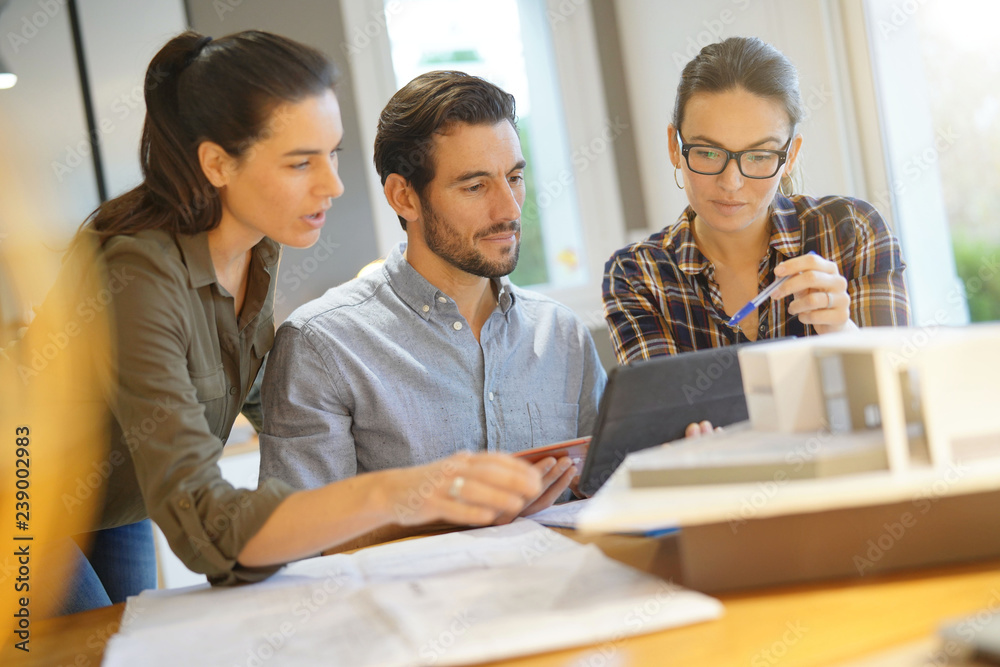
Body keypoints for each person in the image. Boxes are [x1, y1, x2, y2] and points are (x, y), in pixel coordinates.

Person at [43, 32, 543, 614]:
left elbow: (254, 383)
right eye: (300, 161)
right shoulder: (138, 271)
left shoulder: (255, 249)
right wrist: (399, 490)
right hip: (21, 492)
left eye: (331, 154)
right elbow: (208, 531)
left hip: (113, 497)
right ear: (217, 163)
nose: (333, 184)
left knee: (121, 640)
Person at [258, 71, 607, 513]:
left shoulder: (561, 334)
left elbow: (609, 494)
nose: (510, 209)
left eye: (514, 177)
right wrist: (448, 514)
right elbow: (304, 541)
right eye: (475, 186)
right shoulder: (322, 346)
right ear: (404, 197)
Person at [603, 36, 910, 368]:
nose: (731, 183)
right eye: (707, 152)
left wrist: (842, 331)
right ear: (675, 147)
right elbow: (664, 412)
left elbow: (898, 394)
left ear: (790, 155)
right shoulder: (638, 274)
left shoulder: (852, 230)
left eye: (760, 155)